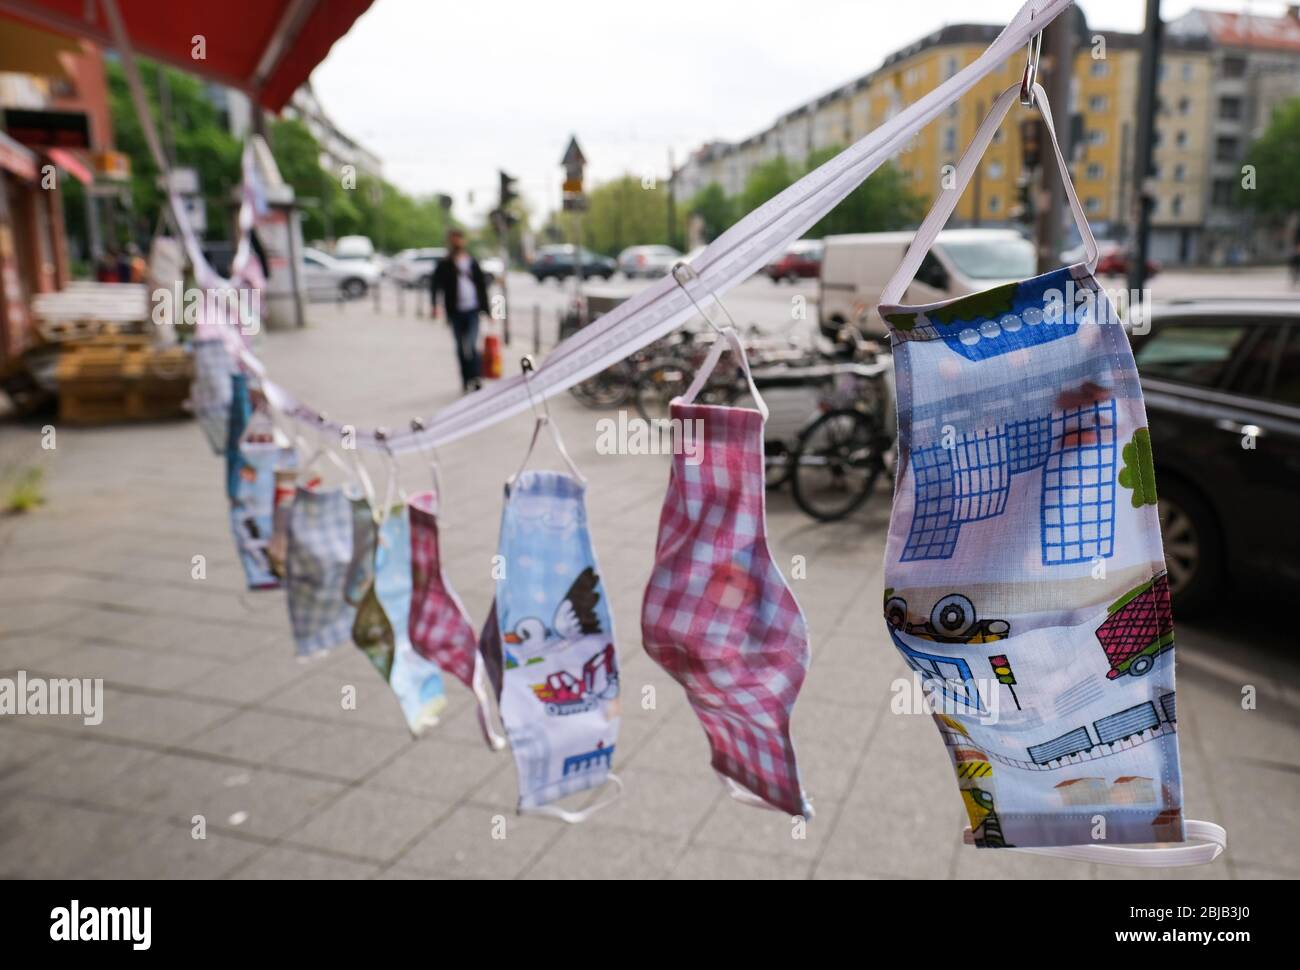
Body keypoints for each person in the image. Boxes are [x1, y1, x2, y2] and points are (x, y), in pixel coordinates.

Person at [431, 229, 489, 392]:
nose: (456, 243)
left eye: (459, 239)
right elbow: (436, 285)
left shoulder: (471, 262)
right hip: (455, 312)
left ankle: (476, 377)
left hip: (472, 310)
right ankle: (465, 379)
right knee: (460, 348)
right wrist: (434, 306)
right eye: (453, 240)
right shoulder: (445, 263)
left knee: (471, 345)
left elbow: (482, 286)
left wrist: (489, 311)